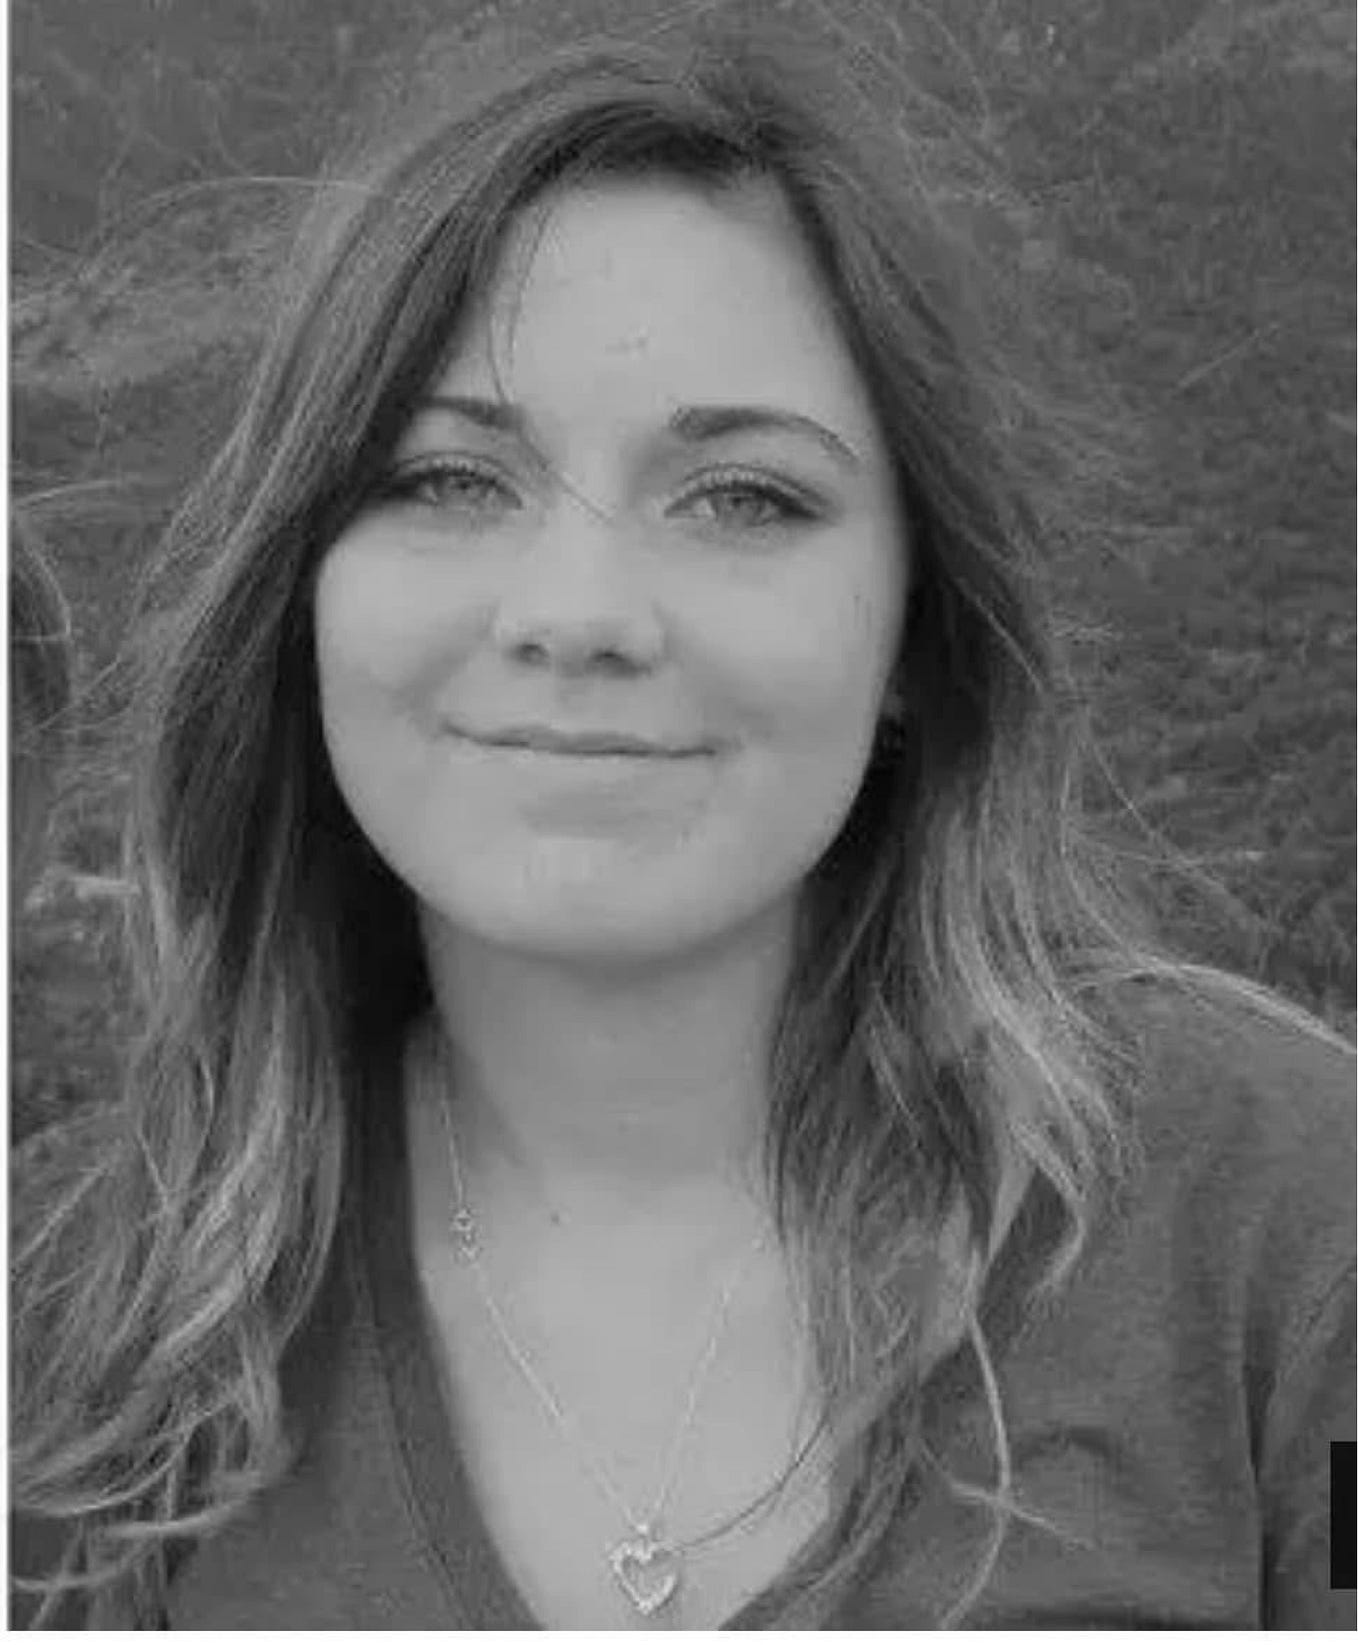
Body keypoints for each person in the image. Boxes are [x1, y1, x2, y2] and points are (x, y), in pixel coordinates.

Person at [11, 1, 1354, 1629]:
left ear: (913, 633)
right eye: (446, 480)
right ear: (300, 591)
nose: (578, 612)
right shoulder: (101, 1348)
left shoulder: (1290, 1234)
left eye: (743, 497)